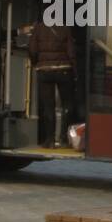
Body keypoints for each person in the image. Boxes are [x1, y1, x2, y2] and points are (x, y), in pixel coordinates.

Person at [28, 18, 76, 148]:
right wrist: (74, 71)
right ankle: (64, 140)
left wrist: (36, 63)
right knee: (67, 104)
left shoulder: (38, 28)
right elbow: (71, 52)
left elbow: (32, 49)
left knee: (48, 106)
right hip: (63, 70)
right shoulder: (65, 28)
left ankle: (49, 140)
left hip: (44, 71)